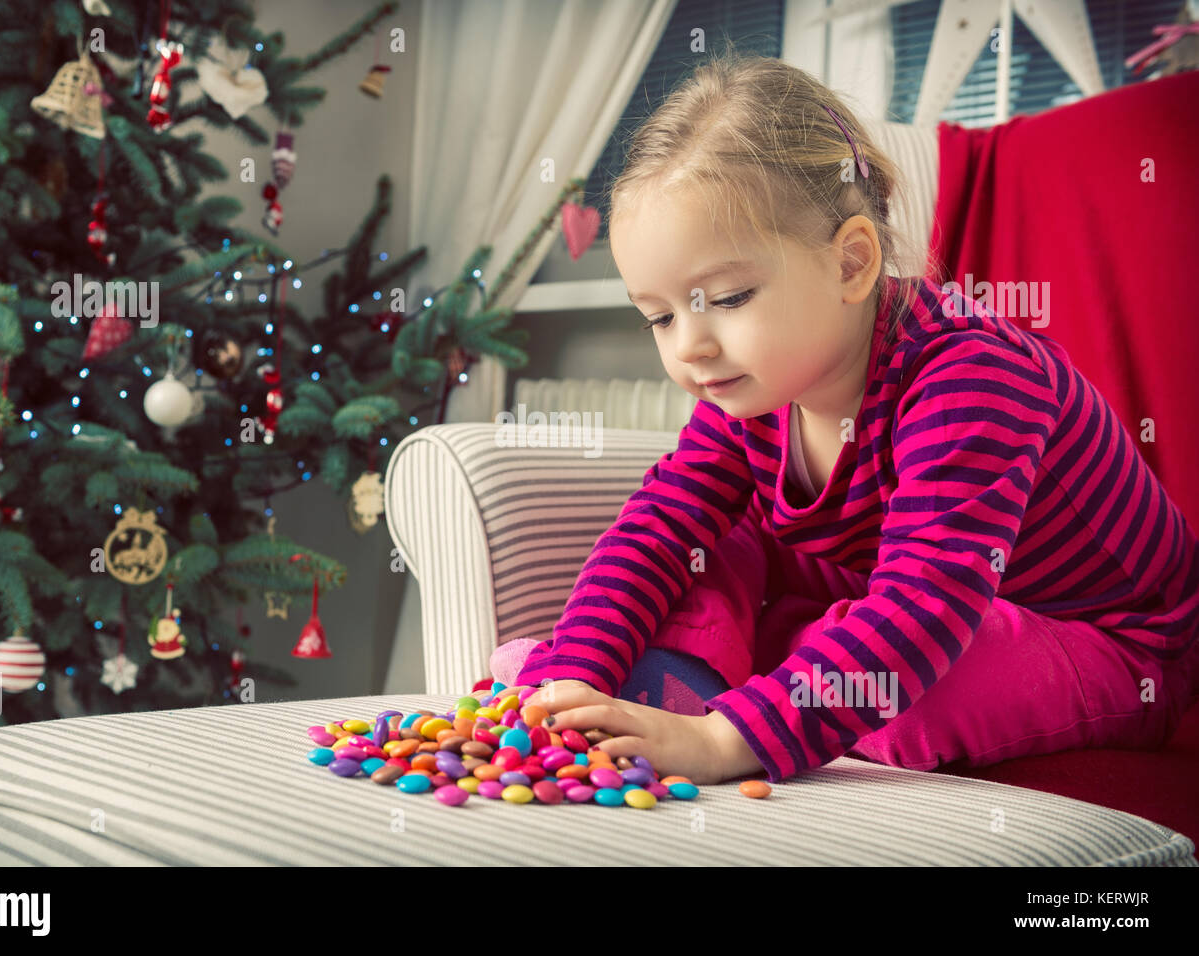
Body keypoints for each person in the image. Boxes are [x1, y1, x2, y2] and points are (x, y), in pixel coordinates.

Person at [489, 48, 1199, 787]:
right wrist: (574, 676)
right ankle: (668, 680)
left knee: (913, 686)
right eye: (659, 318)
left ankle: (743, 699)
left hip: (1112, 644)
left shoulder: (971, 375)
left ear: (851, 264)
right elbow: (659, 524)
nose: (691, 348)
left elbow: (925, 603)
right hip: (878, 593)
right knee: (705, 538)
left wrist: (724, 744)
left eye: (727, 299)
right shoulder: (751, 386)